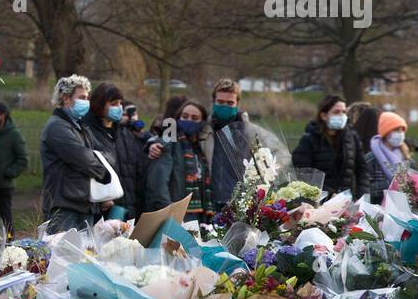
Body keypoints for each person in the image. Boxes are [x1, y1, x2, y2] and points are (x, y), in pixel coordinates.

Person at [202, 78, 288, 211]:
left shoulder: (251, 131)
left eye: (230, 103)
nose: (225, 106)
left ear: (237, 104)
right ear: (213, 102)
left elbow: (281, 153)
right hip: (208, 203)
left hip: (242, 203)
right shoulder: (203, 130)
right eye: (220, 102)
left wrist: (267, 170)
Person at [39, 75, 110, 232]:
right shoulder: (57, 127)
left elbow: (107, 154)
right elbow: (83, 159)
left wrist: (101, 161)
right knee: (63, 254)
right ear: (66, 99)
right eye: (82, 97)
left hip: (84, 204)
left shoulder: (81, 128)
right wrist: (104, 173)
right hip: (64, 206)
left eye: (87, 97)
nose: (86, 102)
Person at [83, 81, 150, 220]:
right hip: (100, 211)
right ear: (99, 105)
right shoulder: (86, 132)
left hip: (127, 210)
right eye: (113, 104)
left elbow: (137, 173)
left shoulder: (125, 134)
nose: (118, 108)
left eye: (120, 103)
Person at [145, 100, 214, 223]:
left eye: (195, 118)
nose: (189, 120)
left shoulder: (199, 148)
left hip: (198, 215)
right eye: (185, 116)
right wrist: (168, 213)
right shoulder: (168, 142)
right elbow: (158, 183)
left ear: (202, 122)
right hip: (175, 214)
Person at [291, 94, 371, 199]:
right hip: (318, 200)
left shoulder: (351, 137)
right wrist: (328, 194)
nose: (341, 115)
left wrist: (362, 197)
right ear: (324, 115)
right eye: (336, 112)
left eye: (344, 112)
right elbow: (303, 173)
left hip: (346, 200)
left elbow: (362, 170)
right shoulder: (310, 139)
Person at [0, 101, 28, 238]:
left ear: (3, 115)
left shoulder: (14, 134)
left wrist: (9, 172)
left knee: (6, 217)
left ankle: (10, 241)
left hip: (4, 185)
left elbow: (22, 159)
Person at [368, 111, 414, 199]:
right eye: (397, 130)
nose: (400, 134)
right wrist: (393, 184)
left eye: (402, 130)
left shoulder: (404, 156)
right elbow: (365, 187)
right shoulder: (372, 158)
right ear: (386, 132)